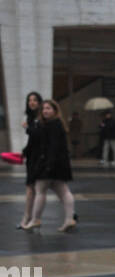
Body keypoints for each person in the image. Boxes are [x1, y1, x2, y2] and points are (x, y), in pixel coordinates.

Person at [21, 98, 77, 232]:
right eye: (43, 109)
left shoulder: (53, 125)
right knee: (63, 191)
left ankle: (35, 219)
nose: (45, 111)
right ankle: (69, 219)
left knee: (40, 190)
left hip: (50, 163)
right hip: (59, 164)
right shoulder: (56, 124)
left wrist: (47, 165)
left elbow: (53, 147)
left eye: (48, 108)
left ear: (55, 110)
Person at [17, 91, 42, 228]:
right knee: (33, 188)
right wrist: (25, 151)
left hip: (40, 157)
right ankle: (29, 218)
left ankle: (29, 218)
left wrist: (27, 128)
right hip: (33, 156)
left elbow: (37, 135)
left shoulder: (40, 117)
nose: (32, 102)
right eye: (29, 100)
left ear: (39, 102)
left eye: (34, 100)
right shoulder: (31, 117)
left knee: (37, 188)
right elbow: (33, 139)